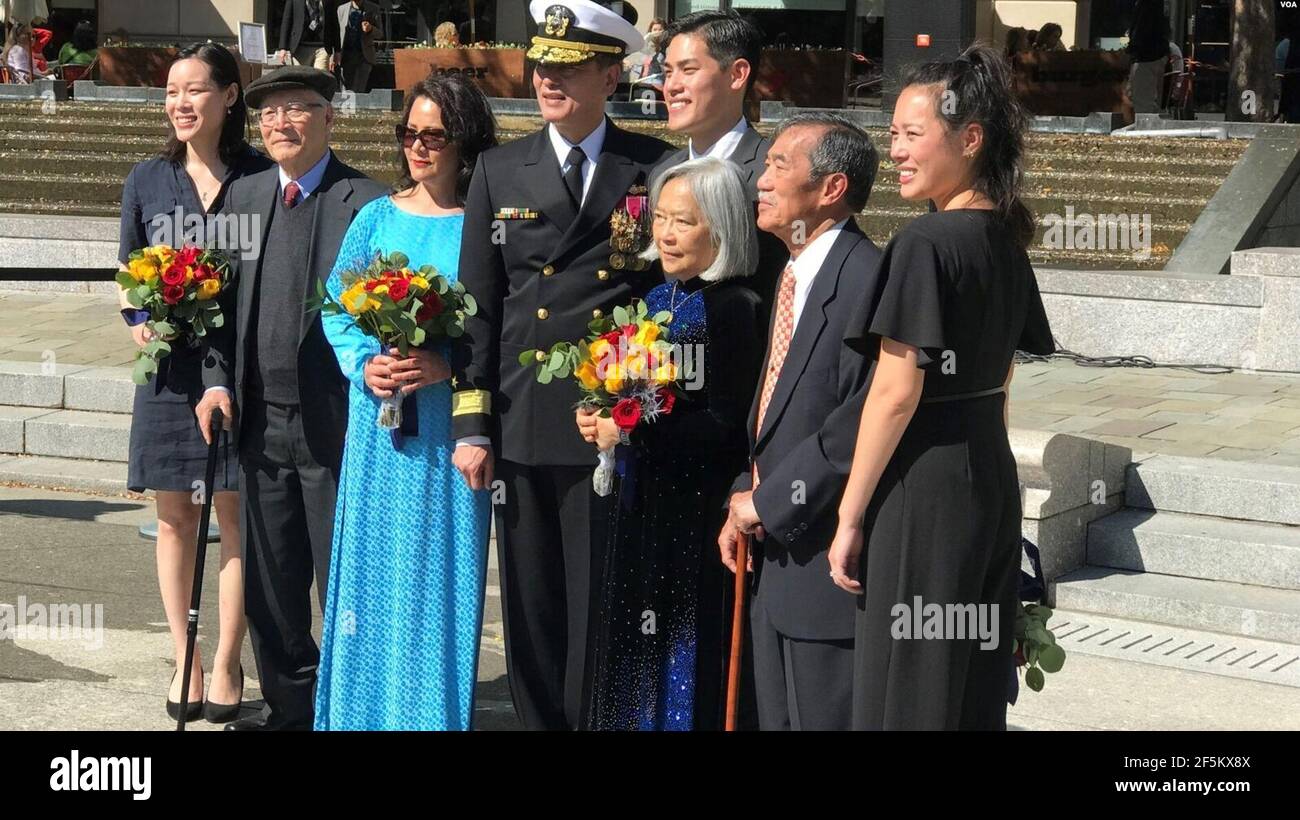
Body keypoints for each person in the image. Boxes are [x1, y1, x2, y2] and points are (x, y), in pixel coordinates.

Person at [451, 0, 673, 731]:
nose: (550, 80)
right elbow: (478, 305)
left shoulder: (651, 166)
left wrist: (630, 401)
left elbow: (661, 297)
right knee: (532, 599)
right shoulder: (497, 167)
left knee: (602, 593)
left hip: (608, 418)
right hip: (522, 418)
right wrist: (473, 422)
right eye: (544, 66)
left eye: (571, 68)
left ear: (612, 76)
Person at [827, 44, 1055, 731]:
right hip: (985, 476)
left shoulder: (926, 245)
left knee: (908, 684)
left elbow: (894, 394)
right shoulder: (1005, 238)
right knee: (970, 680)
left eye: (911, 134)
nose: (894, 150)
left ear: (970, 137)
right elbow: (1004, 378)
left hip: (923, 486)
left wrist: (849, 516)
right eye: (891, 133)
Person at [195, 66, 388, 731]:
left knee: (345, 583)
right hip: (258, 425)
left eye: (297, 110)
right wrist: (215, 380)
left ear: (329, 117)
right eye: (269, 114)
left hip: (338, 428)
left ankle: (348, 709)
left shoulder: (366, 202)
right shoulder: (242, 198)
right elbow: (212, 309)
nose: (280, 123)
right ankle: (291, 710)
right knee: (271, 589)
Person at [314, 74, 497, 730]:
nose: (418, 148)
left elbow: (493, 323)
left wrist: (445, 363)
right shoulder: (376, 217)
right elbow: (336, 306)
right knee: (372, 574)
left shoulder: (482, 222)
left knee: (436, 580)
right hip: (378, 424)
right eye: (409, 134)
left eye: (433, 136)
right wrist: (368, 364)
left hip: (449, 428)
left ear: (465, 141)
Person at [118, 42, 272, 725]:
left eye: (194, 89)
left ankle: (228, 658)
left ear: (229, 97)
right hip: (170, 375)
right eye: (171, 91)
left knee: (235, 513)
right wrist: (138, 320)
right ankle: (185, 654)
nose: (180, 102)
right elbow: (128, 278)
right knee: (175, 516)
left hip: (242, 371)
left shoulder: (261, 178)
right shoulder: (147, 179)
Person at [580, 157, 762, 731]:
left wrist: (632, 430)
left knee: (683, 649)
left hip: (696, 510)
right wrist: (600, 410)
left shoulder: (736, 307)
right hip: (641, 502)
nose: (665, 233)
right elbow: (631, 393)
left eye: (682, 221)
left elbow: (727, 425)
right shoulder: (655, 298)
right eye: (659, 218)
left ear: (722, 226)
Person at [721, 112, 882, 731]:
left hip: (822, 564)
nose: (761, 179)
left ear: (831, 188)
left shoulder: (866, 277)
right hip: (773, 561)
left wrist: (771, 503)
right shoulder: (790, 275)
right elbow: (776, 410)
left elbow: (860, 416)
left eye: (779, 165)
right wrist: (745, 494)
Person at [653, 10, 784, 326]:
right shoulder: (662, 172)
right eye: (668, 72)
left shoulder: (777, 174)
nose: (672, 86)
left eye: (688, 70)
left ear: (738, 74)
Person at [1127, 0, 1170, 115]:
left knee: (1143, 103)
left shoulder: (1148, 5)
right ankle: (1152, 125)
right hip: (1154, 54)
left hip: (1147, 56)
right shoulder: (1157, 5)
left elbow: (1142, 29)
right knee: (1148, 100)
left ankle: (1145, 129)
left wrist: (1133, 48)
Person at [276, 0, 339, 72]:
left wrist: (337, 50)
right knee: (301, 79)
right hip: (300, 48)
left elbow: (334, 23)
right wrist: (283, 48)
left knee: (320, 79)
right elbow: (286, 20)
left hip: (322, 47)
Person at [336, 0, 383, 93]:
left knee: (360, 90)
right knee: (346, 91)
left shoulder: (373, 9)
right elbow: (336, 33)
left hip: (364, 56)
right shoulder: (341, 9)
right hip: (346, 56)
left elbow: (380, 34)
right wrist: (334, 54)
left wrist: (370, 29)